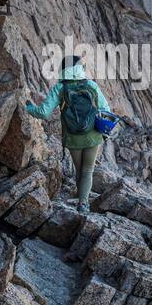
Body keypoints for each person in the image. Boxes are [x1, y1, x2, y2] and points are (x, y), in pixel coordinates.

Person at [25, 55, 113, 213]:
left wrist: (28, 108)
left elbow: (44, 112)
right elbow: (105, 108)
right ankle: (83, 203)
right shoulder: (91, 85)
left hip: (73, 137)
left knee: (79, 170)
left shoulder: (60, 88)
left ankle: (81, 199)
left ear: (64, 70)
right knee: (88, 170)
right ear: (80, 68)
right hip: (93, 135)